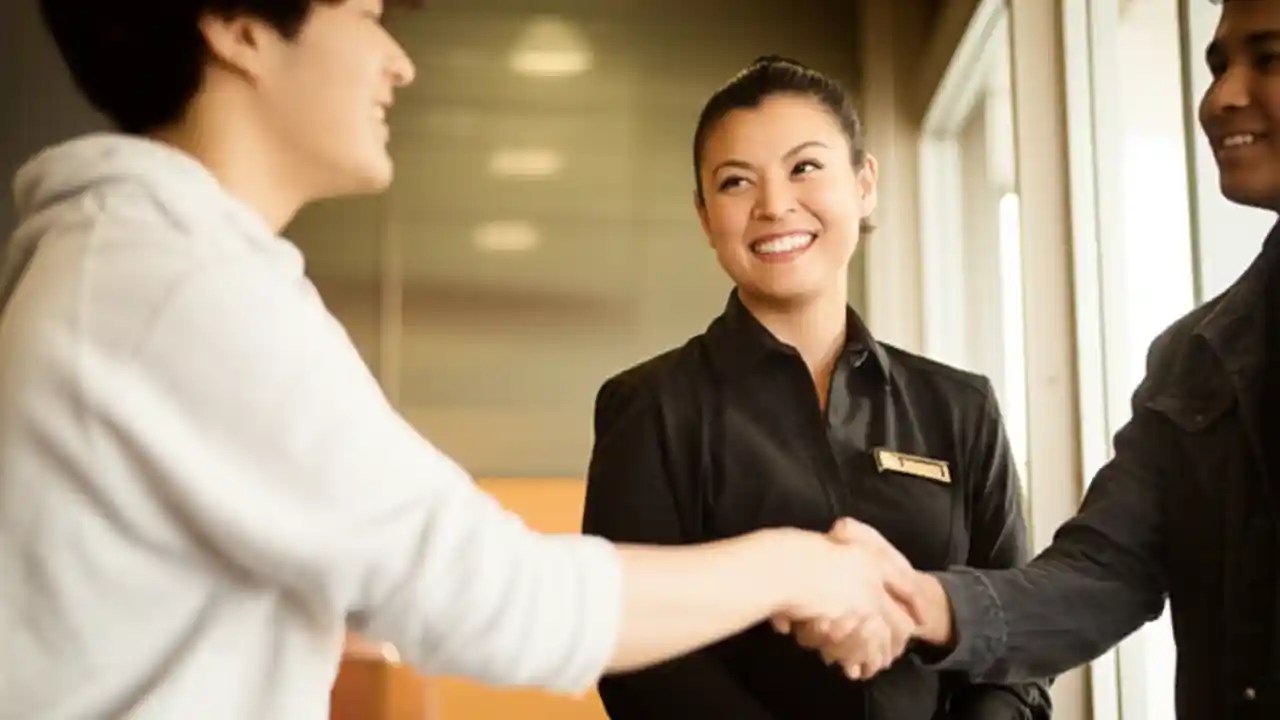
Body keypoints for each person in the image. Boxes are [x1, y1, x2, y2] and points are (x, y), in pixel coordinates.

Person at [0, 3, 917, 718]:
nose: (397, 61)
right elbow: (494, 597)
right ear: (240, 30)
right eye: (365, 14)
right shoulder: (175, 289)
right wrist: (803, 568)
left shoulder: (154, 270)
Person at [795, 1, 1280, 717]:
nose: (1220, 98)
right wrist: (921, 601)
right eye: (1216, 66)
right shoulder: (1194, 360)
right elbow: (1103, 573)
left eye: (1266, 59)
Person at [581, 56, 1051, 719]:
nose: (774, 205)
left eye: (804, 167)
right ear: (704, 214)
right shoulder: (651, 407)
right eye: (736, 181)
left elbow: (1012, 641)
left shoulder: (960, 408)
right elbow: (636, 657)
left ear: (863, 184)